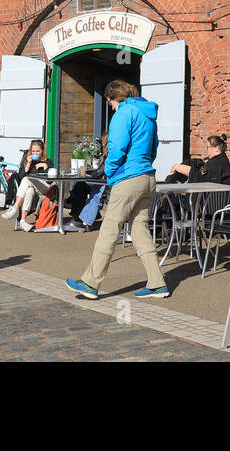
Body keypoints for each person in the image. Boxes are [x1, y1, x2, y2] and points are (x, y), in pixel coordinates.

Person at [66, 80, 168, 300]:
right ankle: (157, 283)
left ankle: (90, 283)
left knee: (109, 231)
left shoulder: (124, 113)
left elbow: (116, 148)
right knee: (140, 231)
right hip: (147, 177)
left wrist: (110, 173)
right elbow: (154, 147)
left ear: (114, 97)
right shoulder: (149, 115)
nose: (111, 107)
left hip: (128, 179)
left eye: (110, 102)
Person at [1, 139, 53, 231]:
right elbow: (20, 176)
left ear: (42, 151)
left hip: (44, 188)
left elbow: (51, 178)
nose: (35, 153)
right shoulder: (27, 161)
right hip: (32, 188)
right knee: (29, 190)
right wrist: (28, 164)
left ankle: (15, 208)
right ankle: (23, 221)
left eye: (38, 151)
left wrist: (46, 168)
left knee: (26, 179)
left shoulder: (48, 161)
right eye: (33, 151)